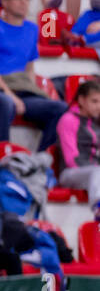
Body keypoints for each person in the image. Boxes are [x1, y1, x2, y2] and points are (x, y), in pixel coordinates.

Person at [0, 0, 68, 151]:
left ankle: (39, 163)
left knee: (61, 109)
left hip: (19, 88)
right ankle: (1, 160)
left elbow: (29, 68)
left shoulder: (32, 29)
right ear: (5, 2)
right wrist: (8, 93)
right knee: (5, 102)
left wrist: (32, 92)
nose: (24, 2)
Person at [56, 78, 100, 219]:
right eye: (94, 101)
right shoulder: (68, 120)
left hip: (94, 173)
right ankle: (98, 207)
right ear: (81, 100)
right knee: (97, 171)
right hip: (71, 173)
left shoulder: (95, 123)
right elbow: (71, 160)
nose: (98, 106)